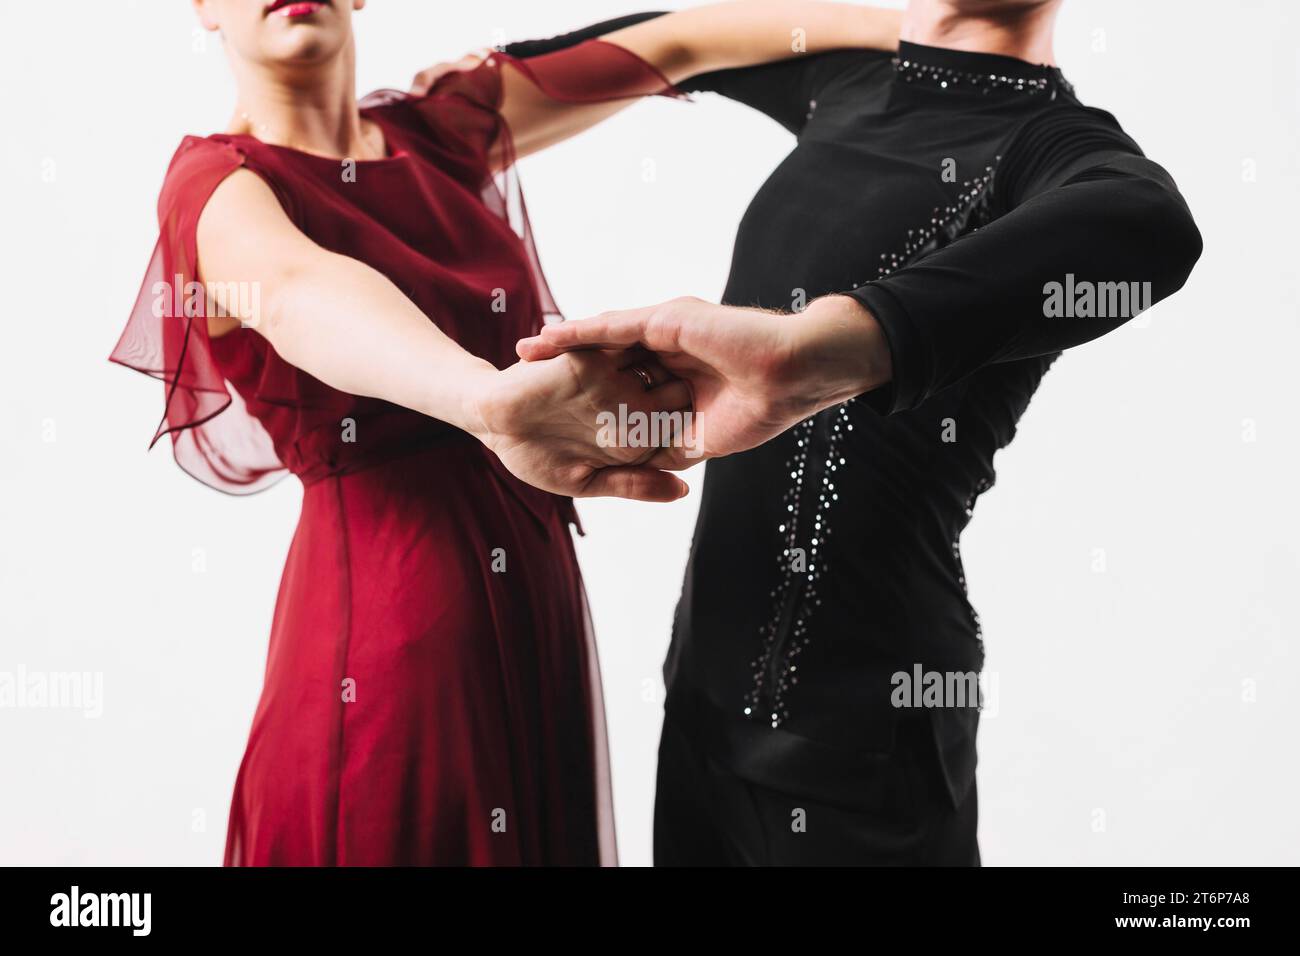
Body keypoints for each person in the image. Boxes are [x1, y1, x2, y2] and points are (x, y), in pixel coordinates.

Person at [109, 0, 901, 865]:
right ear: (203, 10)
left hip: (535, 588)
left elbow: (678, 39)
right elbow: (298, 292)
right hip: (391, 619)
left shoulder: (442, 125)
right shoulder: (214, 184)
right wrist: (488, 403)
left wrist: (940, 36)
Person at [507, 1, 1203, 864]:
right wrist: (427, 106)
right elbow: (649, 44)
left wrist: (823, 349)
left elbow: (1151, 226)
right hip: (700, 697)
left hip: (868, 734)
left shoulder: (1045, 141)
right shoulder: (843, 82)